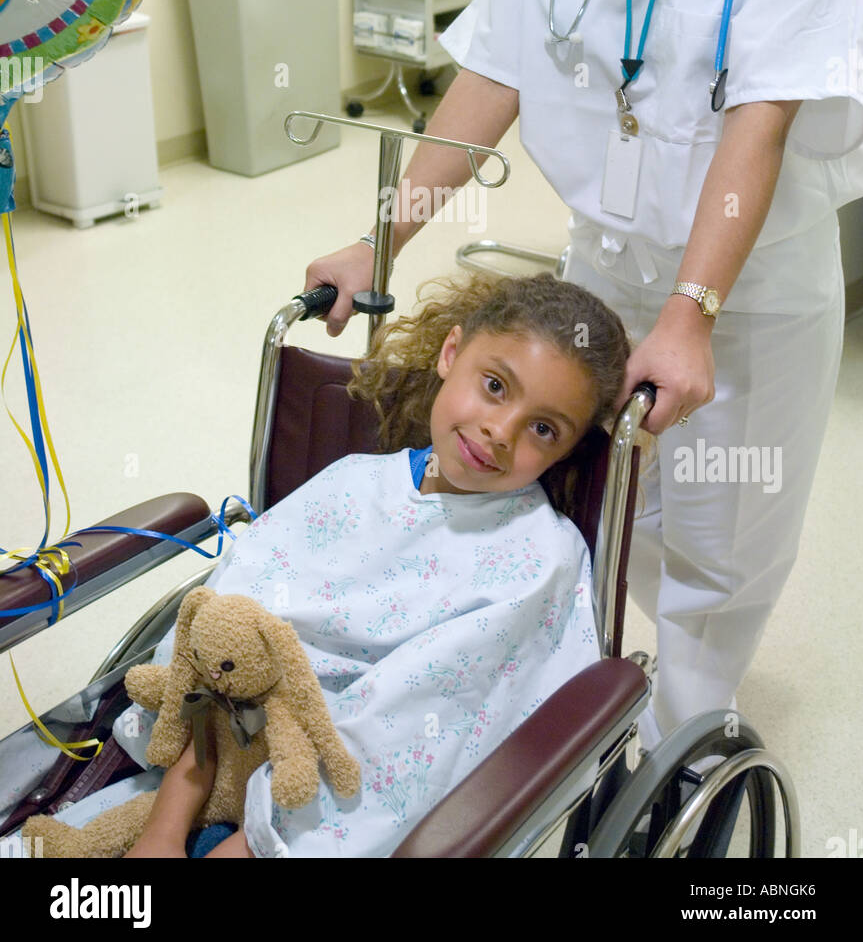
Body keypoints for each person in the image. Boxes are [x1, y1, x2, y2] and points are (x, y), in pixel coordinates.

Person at [305, 0, 863, 755]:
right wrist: (380, 238)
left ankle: (679, 742)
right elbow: (487, 87)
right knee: (590, 494)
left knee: (720, 532)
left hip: (744, 289)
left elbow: (756, 114)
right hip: (604, 269)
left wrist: (693, 308)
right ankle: (579, 699)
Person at [106, 270, 627, 857]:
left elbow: (406, 742)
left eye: (543, 428)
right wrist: (163, 832)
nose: (499, 432)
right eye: (495, 386)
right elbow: (224, 648)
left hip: (331, 828)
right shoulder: (352, 483)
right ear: (450, 354)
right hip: (199, 777)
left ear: (568, 450)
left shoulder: (537, 563)